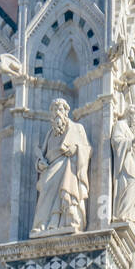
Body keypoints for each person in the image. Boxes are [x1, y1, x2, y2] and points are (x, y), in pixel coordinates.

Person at [31, 98, 91, 234]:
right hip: (50, 170)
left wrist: (76, 149)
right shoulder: (50, 134)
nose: (57, 113)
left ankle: (67, 223)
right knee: (45, 193)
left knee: (66, 194)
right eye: (54, 110)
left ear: (66, 112)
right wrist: (40, 165)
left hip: (68, 168)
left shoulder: (77, 128)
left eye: (60, 109)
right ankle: (42, 225)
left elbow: (87, 149)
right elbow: (43, 155)